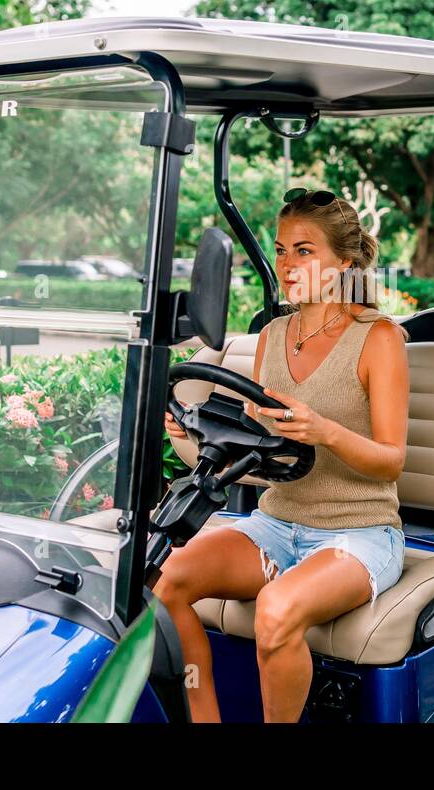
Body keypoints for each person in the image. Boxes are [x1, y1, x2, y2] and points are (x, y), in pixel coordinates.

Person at [155, 187, 410, 722]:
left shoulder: (378, 337)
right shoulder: (273, 335)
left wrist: (324, 431)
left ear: (342, 262)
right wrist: (185, 436)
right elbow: (255, 450)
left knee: (276, 610)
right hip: (275, 525)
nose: (287, 265)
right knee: (168, 580)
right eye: (281, 250)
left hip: (359, 533)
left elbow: (391, 460)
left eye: (304, 250)